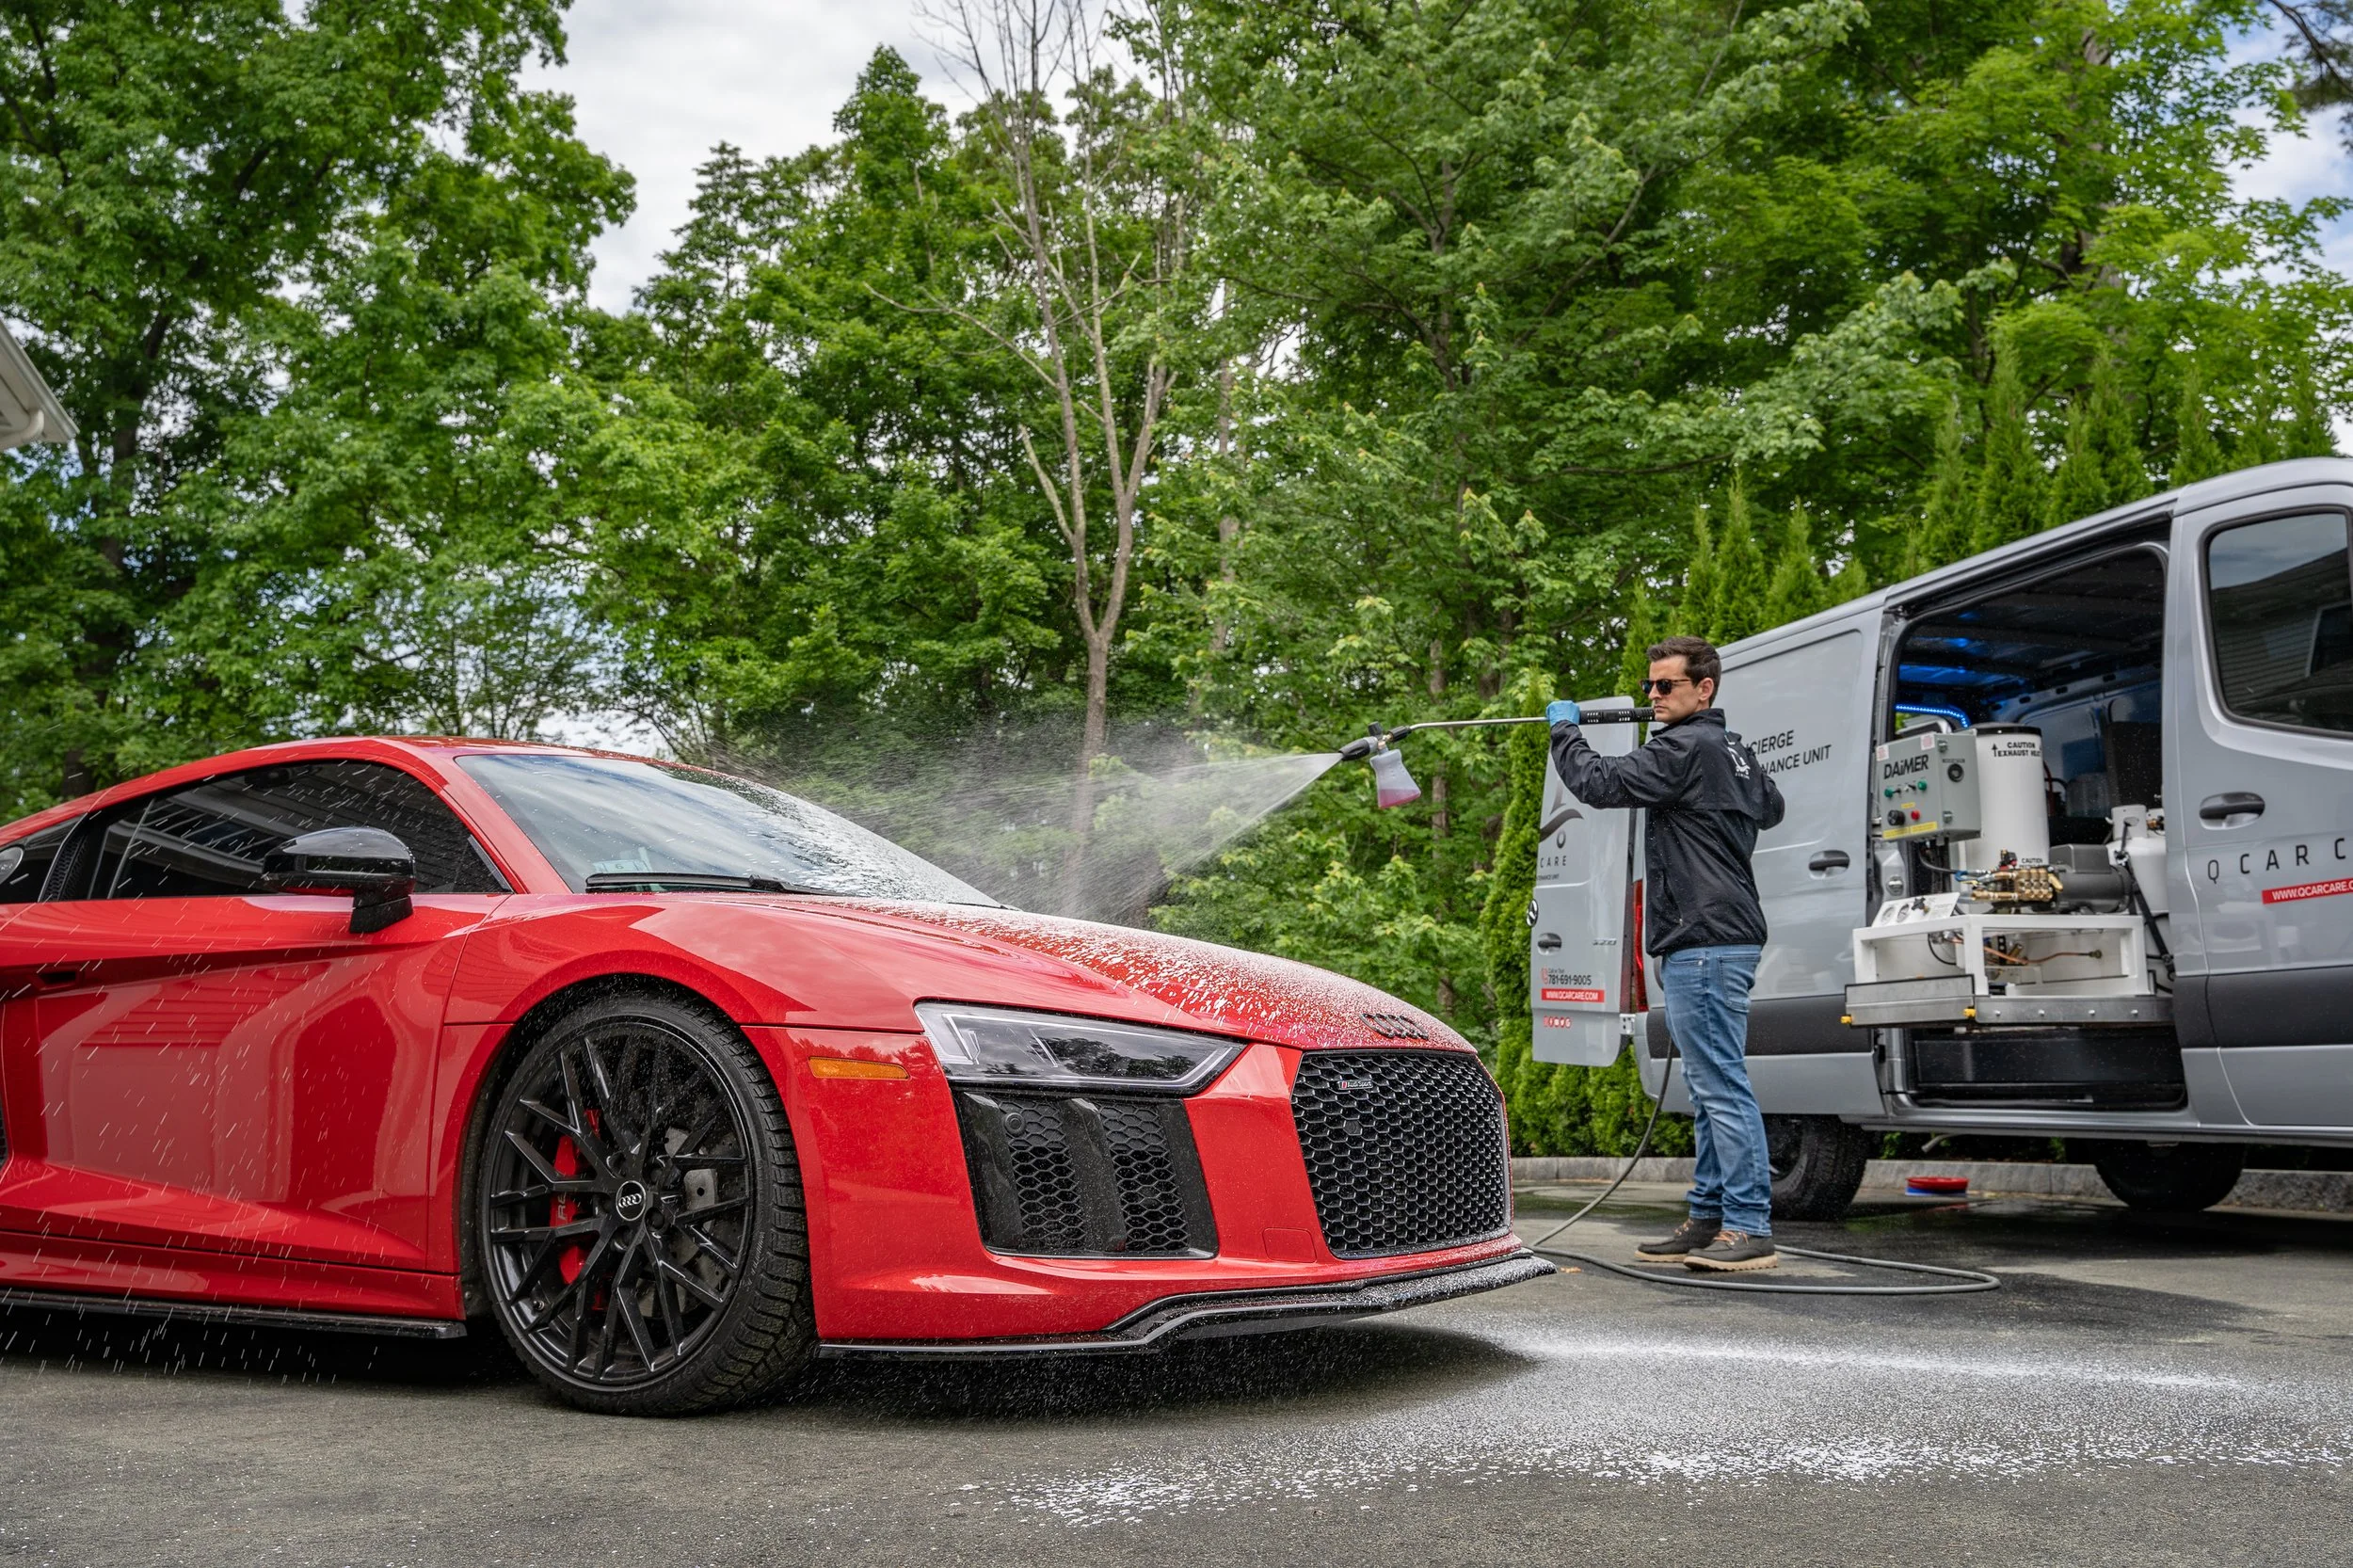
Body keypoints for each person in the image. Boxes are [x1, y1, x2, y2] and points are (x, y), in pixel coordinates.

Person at [1545, 634, 1786, 1272]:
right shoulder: (1728, 748)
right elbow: (1774, 807)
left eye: (1665, 686)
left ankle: (1748, 1226)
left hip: (1704, 939)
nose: (1652, 696)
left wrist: (1565, 732)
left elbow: (1597, 782)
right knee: (1710, 1085)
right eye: (1650, 685)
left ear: (1703, 688)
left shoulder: (1687, 746)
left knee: (1721, 1085)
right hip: (1720, 933)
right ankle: (1708, 1217)